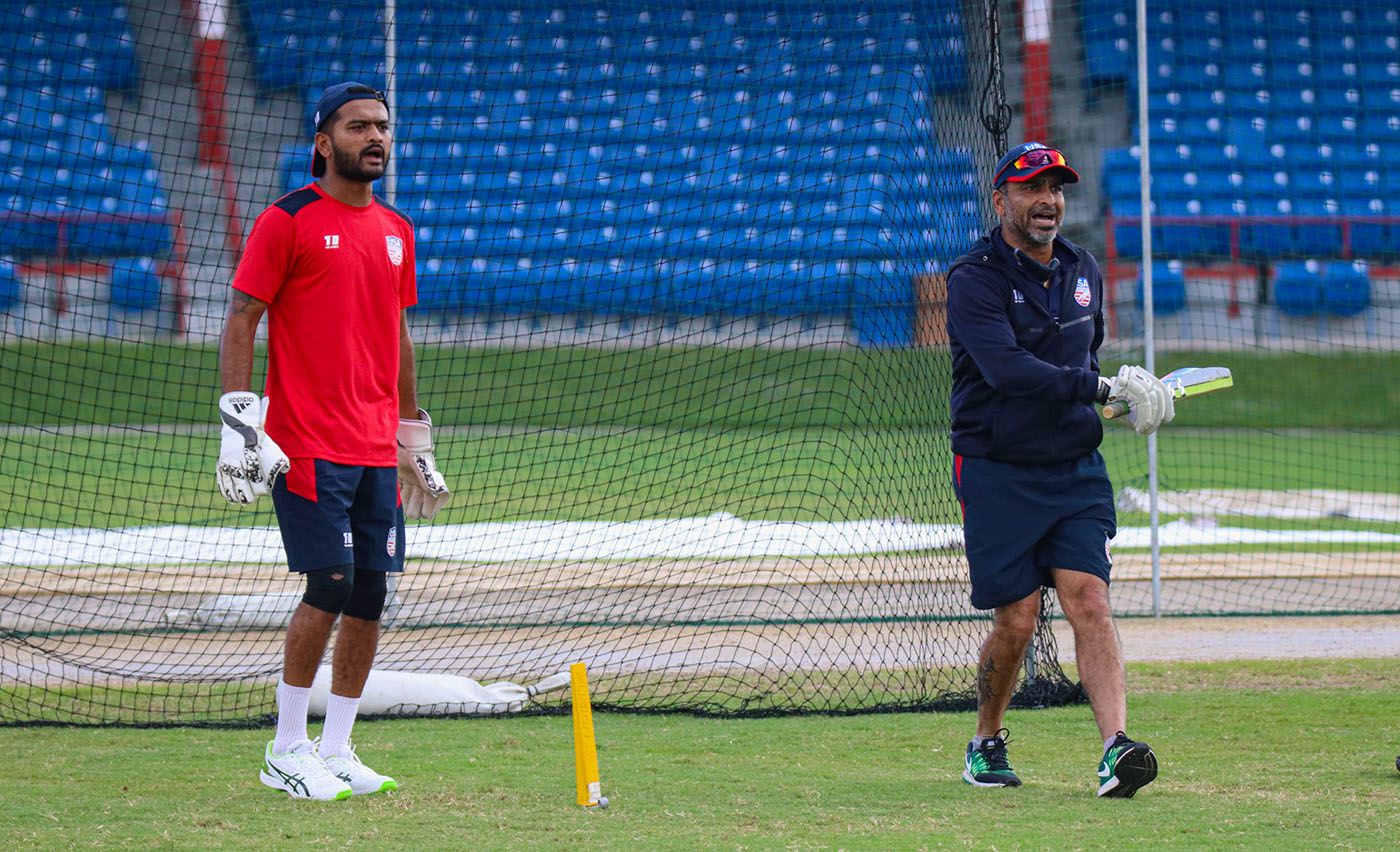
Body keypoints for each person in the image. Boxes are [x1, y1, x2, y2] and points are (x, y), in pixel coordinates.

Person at [216, 81, 451, 801]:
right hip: (306, 445)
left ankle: (338, 749)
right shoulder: (285, 221)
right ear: (324, 142)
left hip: (376, 447)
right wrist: (237, 423)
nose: (375, 137)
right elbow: (241, 318)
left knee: (372, 593)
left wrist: (413, 433)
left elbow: (398, 332)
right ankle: (286, 750)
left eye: (382, 125)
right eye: (358, 127)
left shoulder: (396, 229)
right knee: (331, 584)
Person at [945, 141, 1174, 798]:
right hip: (996, 465)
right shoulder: (974, 278)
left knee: (1091, 601)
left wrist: (1121, 404)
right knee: (1016, 619)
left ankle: (1115, 749)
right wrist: (1099, 390)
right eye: (1031, 189)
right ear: (1000, 200)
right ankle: (985, 741)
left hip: (1073, 466)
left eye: (1056, 189)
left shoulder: (1084, 268)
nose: (1047, 201)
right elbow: (1009, 371)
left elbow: (1084, 361)